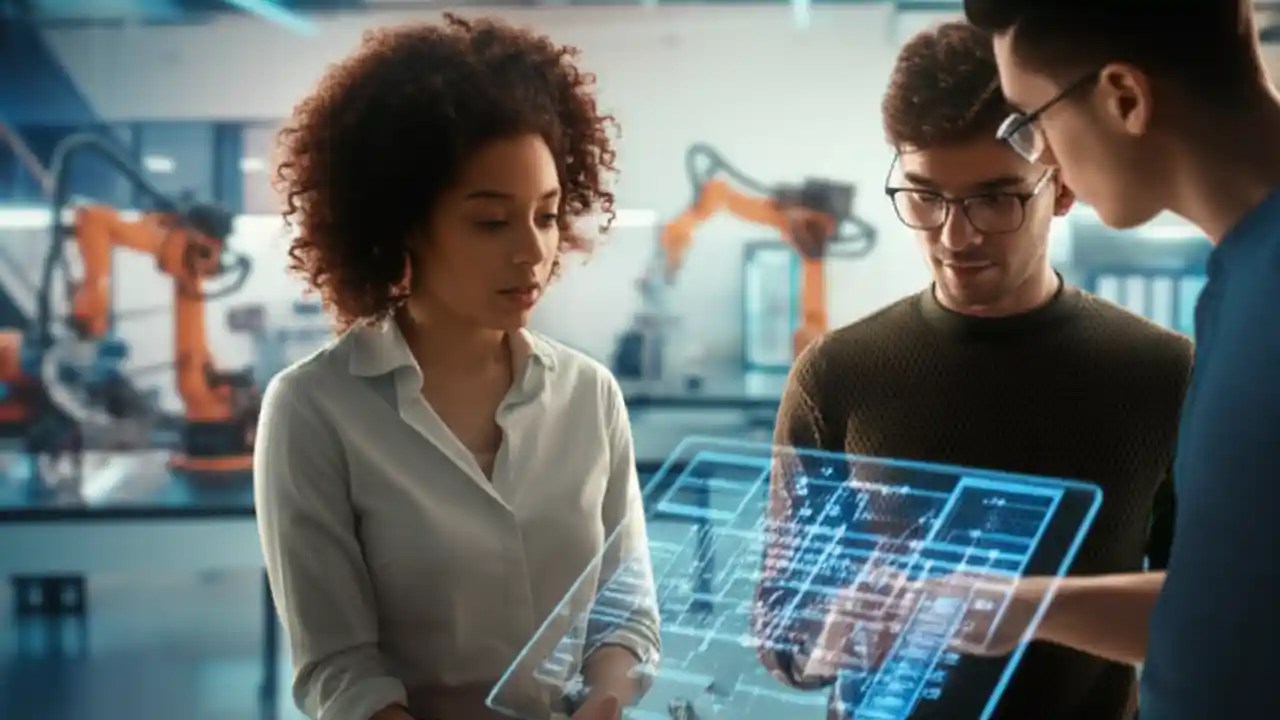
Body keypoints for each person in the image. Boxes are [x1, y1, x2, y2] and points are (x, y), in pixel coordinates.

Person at [752, 21, 1193, 720]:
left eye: (996, 198)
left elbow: (1210, 612)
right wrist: (828, 637)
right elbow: (779, 628)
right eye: (925, 197)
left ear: (1065, 184)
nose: (955, 237)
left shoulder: (1164, 374)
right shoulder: (837, 374)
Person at [256, 15, 659, 720]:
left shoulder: (590, 396)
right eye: (490, 222)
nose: (532, 253)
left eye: (546, 214)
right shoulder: (314, 409)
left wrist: (606, 697)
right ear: (406, 223)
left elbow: (625, 615)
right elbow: (340, 668)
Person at [962, 1, 1280, 717]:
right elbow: (1230, 603)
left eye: (1030, 118)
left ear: (1124, 98)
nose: (1038, 154)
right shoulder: (1239, 280)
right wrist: (1012, 606)